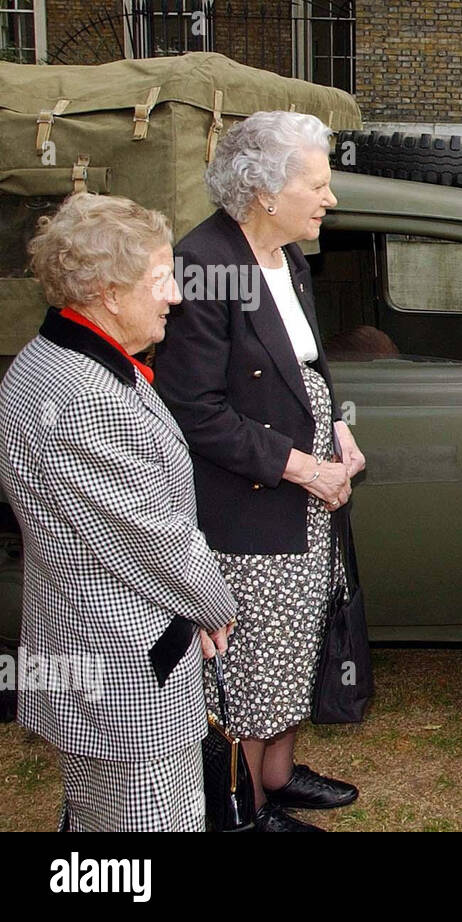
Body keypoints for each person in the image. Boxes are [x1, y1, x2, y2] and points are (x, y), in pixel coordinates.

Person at [154, 111, 365, 833]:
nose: (329, 198)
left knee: (296, 636)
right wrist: (305, 467)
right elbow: (194, 408)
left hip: (304, 488)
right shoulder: (205, 262)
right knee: (251, 659)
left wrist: (339, 440)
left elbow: (305, 368)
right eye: (318, 184)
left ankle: (278, 770)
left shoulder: (289, 255)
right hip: (246, 501)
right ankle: (249, 805)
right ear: (266, 192)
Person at [0, 193, 237, 831]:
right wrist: (216, 607)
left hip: (90, 648)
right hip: (125, 669)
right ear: (108, 292)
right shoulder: (86, 396)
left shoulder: (46, 360)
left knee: (99, 817)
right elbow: (151, 540)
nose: (177, 296)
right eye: (161, 279)